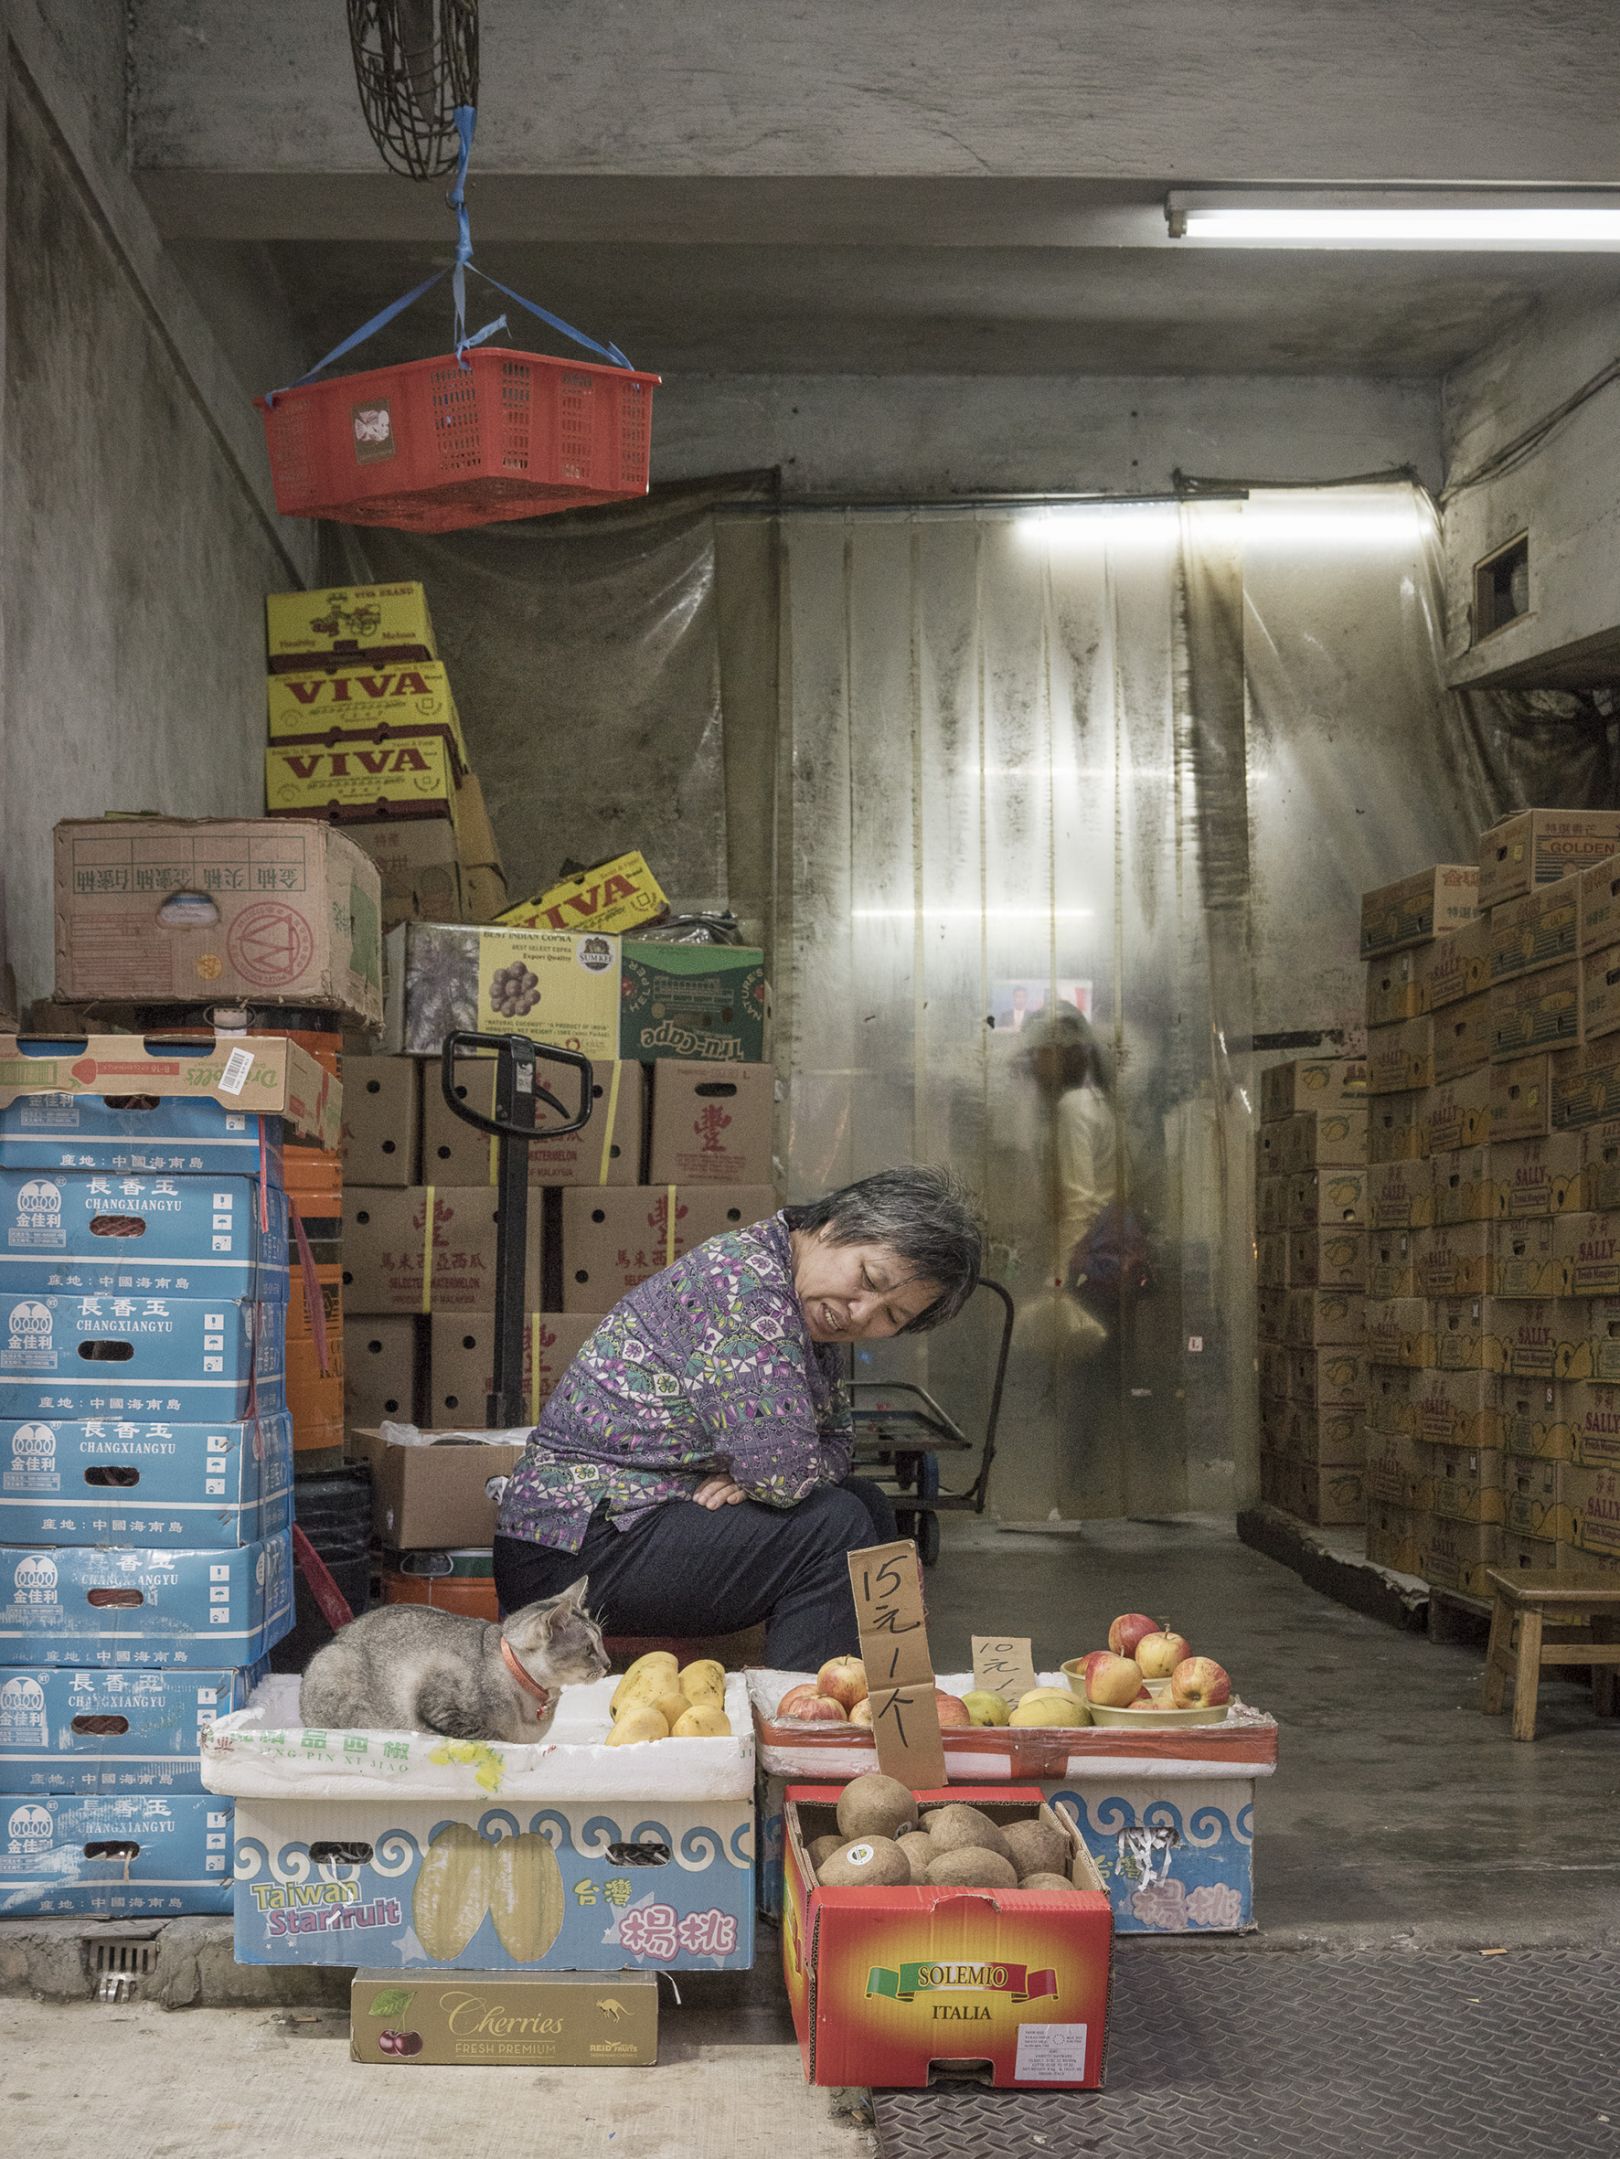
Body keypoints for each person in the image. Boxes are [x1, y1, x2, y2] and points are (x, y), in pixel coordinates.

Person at [492, 1166, 983, 1666]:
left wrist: (754, 1476)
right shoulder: (746, 1286)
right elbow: (784, 1475)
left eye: (891, 1317)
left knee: (866, 1501)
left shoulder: (808, 1310)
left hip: (642, 1518)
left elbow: (835, 1443)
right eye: (869, 1279)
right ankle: (805, 1727)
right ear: (837, 1224)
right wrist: (762, 1474)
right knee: (834, 1526)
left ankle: (888, 1702)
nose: (861, 1313)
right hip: (570, 1550)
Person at [1025, 1007, 1119, 1313]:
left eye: (1040, 1053)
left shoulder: (1073, 1107)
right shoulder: (1099, 1102)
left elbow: (1079, 1201)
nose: (1034, 1063)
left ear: (1064, 1054)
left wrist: (1058, 1280)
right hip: (1106, 1261)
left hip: (1084, 1267)